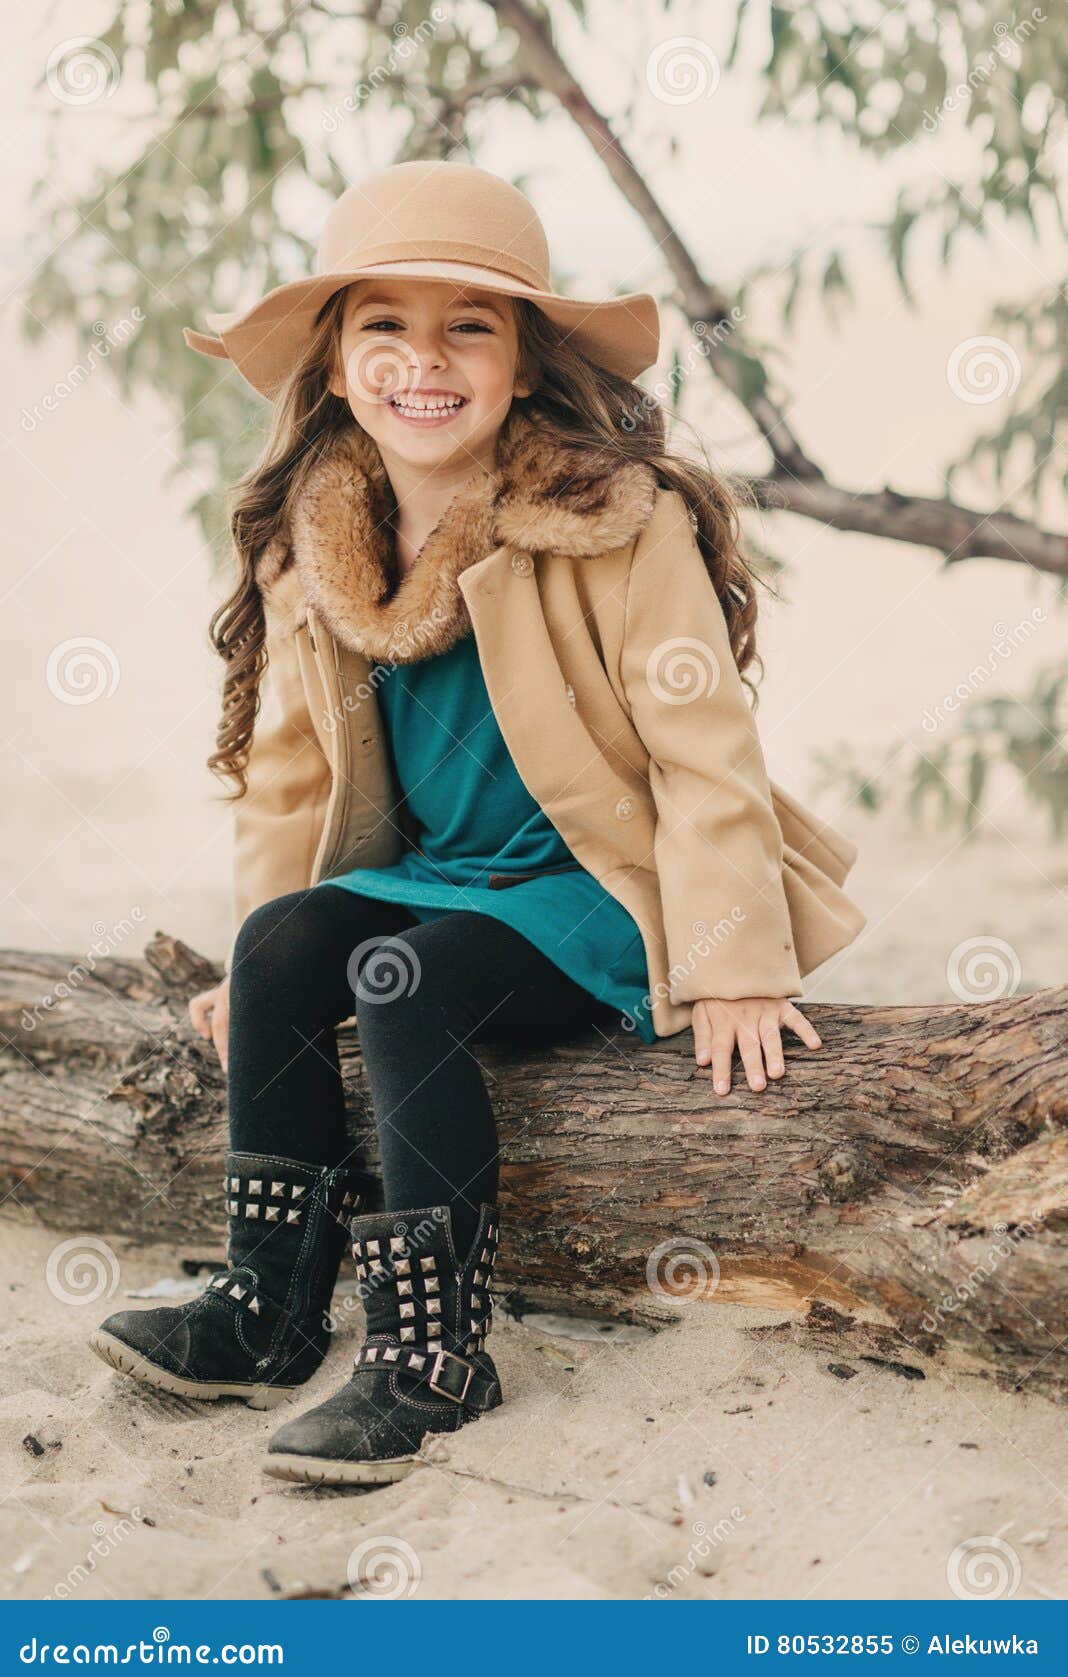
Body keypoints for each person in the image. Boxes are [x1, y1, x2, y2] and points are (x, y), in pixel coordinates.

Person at [90, 159, 866, 1486]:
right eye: (383, 324)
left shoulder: (616, 520)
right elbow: (287, 772)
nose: (423, 360)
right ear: (336, 367)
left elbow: (704, 750)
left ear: (524, 363)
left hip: (595, 882)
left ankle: (431, 1353)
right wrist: (244, 965)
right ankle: (267, 1308)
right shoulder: (321, 538)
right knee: (284, 944)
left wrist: (738, 960)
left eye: (471, 326)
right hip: (442, 872)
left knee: (401, 981)